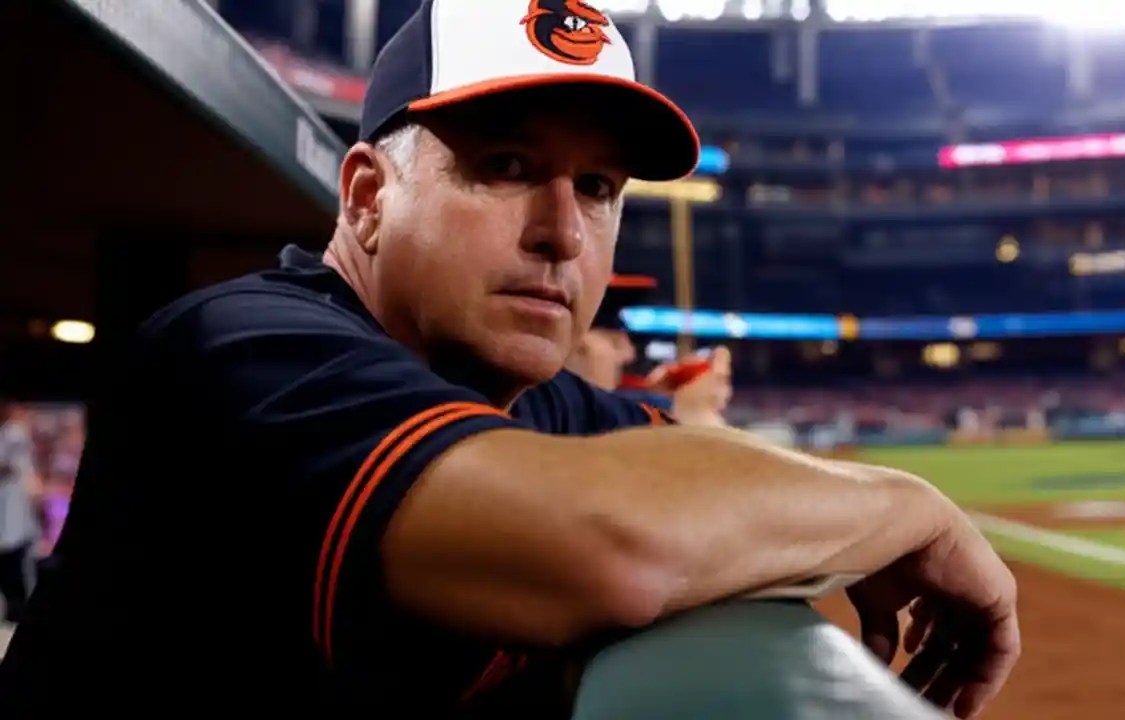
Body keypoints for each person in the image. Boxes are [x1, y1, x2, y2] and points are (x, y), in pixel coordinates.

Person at [0, 1, 1018, 717]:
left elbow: (707, 465)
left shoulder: (540, 406)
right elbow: (615, 548)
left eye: (599, 188)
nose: (562, 235)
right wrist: (907, 507)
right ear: (364, 197)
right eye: (506, 169)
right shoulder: (240, 352)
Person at [564, 273, 732, 426]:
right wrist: (689, 409)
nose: (628, 355)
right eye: (614, 342)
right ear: (574, 345)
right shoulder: (558, 419)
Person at [0, 401, 38, 626]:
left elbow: (12, 466)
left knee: (15, 569)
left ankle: (18, 613)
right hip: (7, 519)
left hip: (13, 517)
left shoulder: (14, 434)